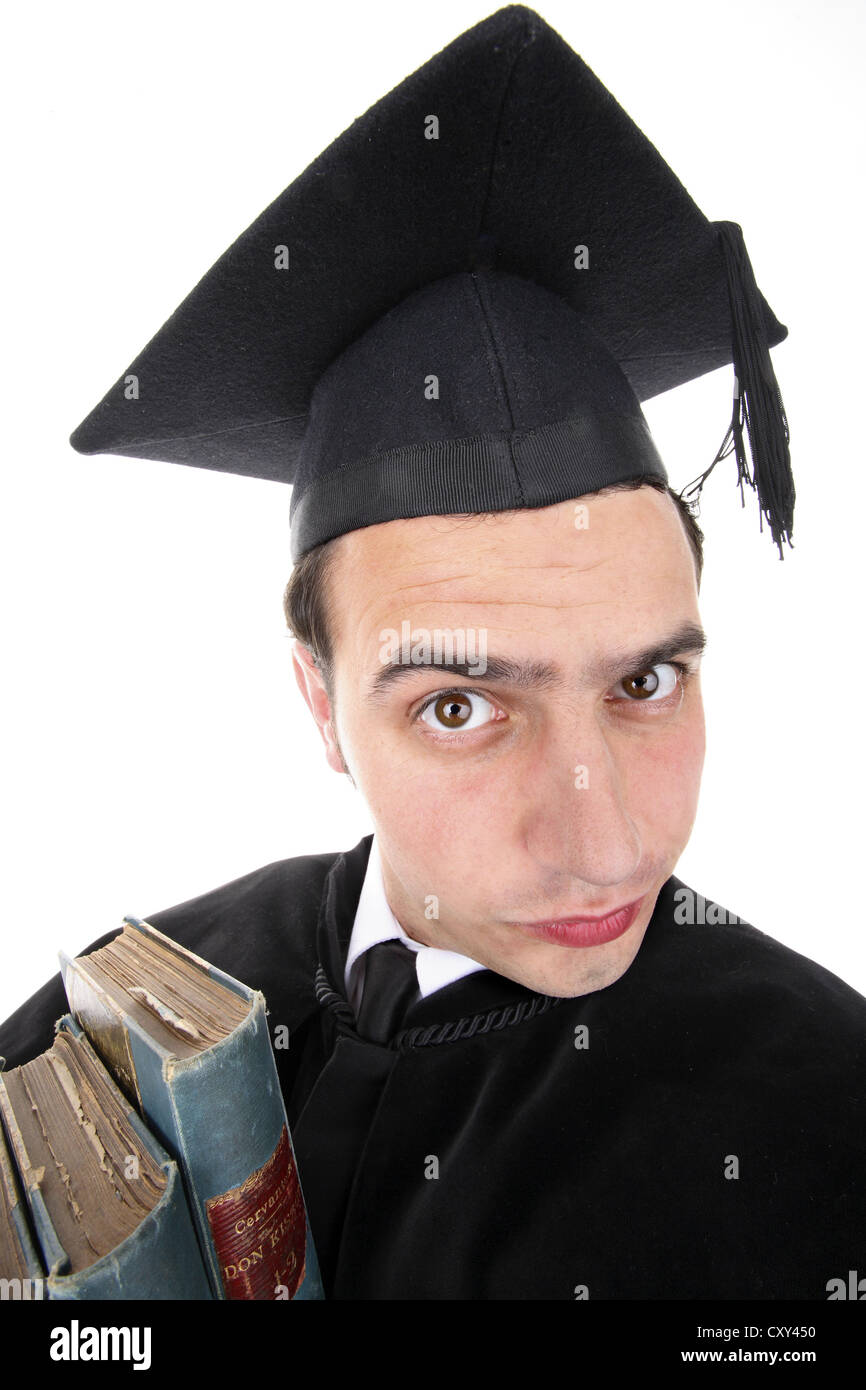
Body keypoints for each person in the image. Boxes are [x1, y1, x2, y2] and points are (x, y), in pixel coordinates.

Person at [1, 5, 864, 1300]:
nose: (607, 841)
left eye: (643, 680)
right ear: (320, 703)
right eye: (459, 704)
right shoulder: (130, 1014)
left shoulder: (819, 1124)